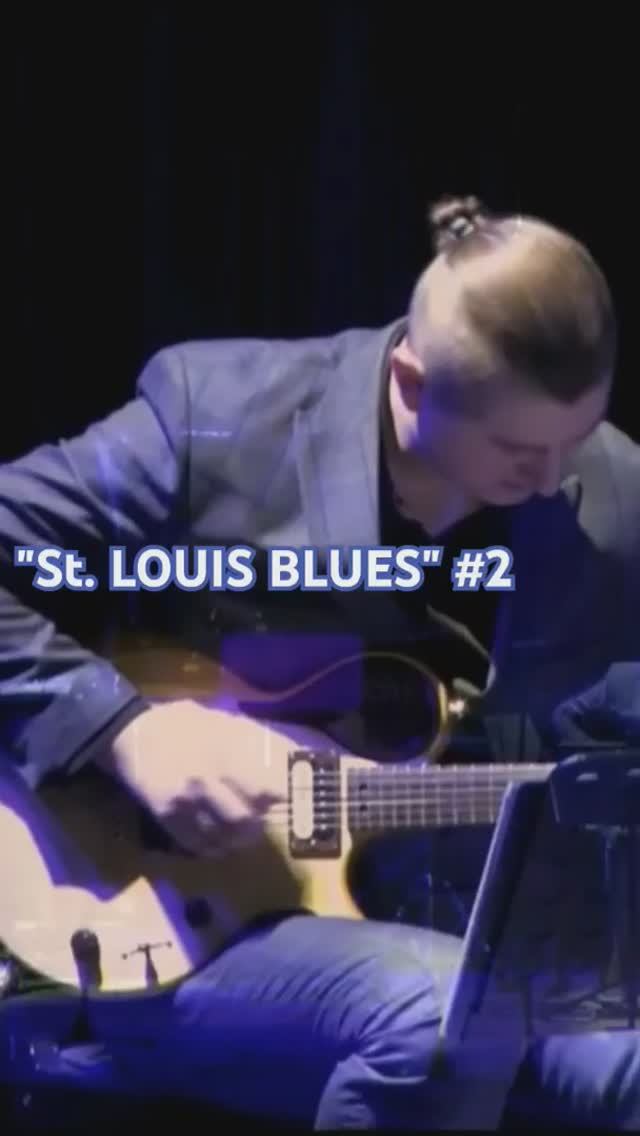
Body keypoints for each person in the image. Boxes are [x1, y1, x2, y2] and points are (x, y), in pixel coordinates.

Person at [0, 193, 639, 1128]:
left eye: (574, 439)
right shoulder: (217, 418)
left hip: (483, 942)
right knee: (441, 1018)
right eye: (516, 449)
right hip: (181, 923)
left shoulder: (615, 494)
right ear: (413, 381)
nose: (552, 480)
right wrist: (125, 731)